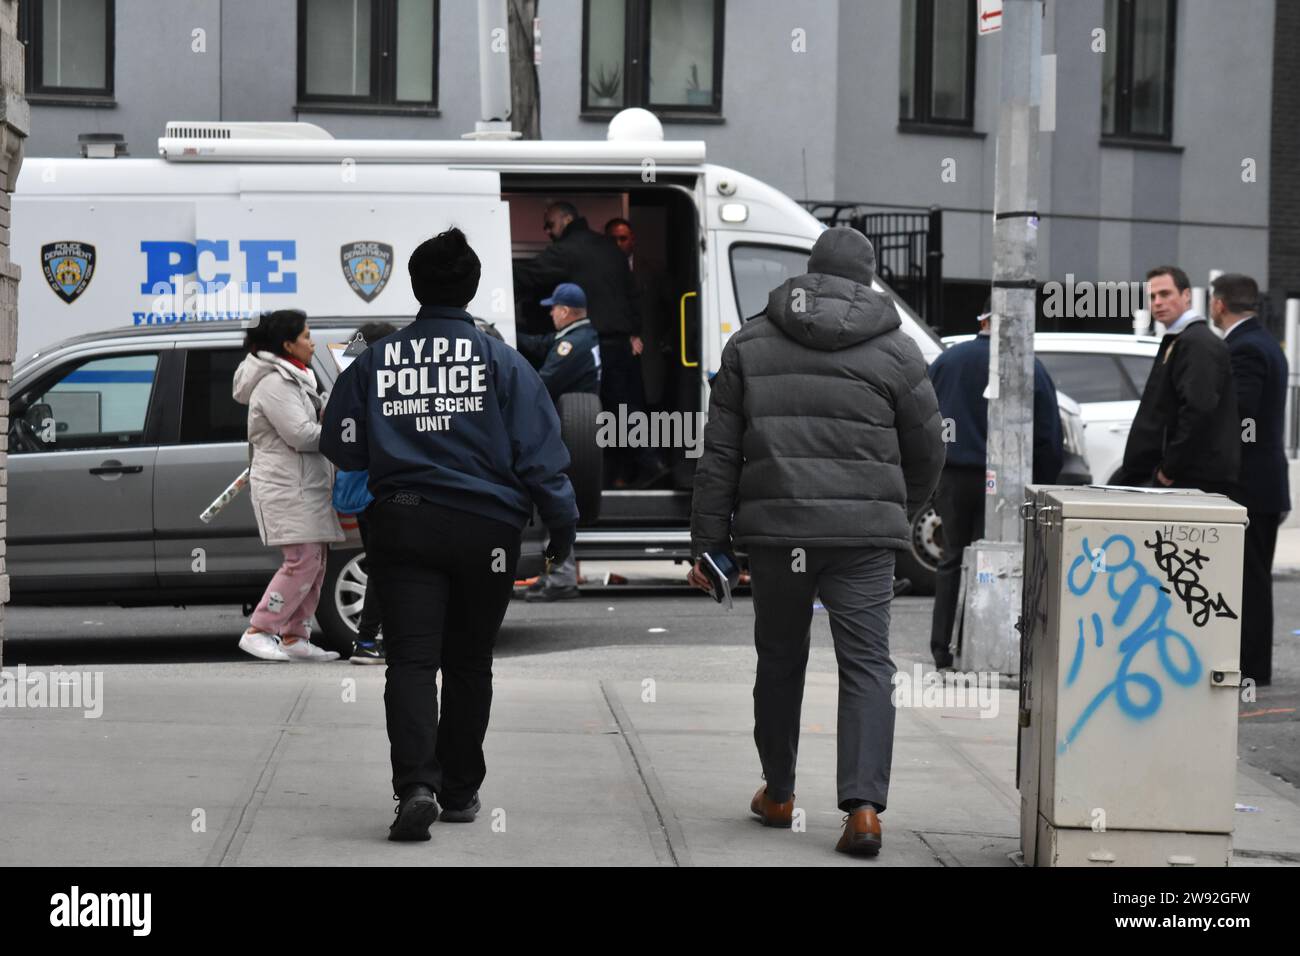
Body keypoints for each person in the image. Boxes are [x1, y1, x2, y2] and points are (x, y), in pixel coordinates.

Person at [688, 227, 945, 858]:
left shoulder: (749, 342)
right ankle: (862, 811)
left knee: (780, 660)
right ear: (867, 279)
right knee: (867, 667)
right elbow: (931, 446)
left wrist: (708, 541)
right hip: (862, 540)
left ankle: (778, 793)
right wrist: (896, 510)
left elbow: (719, 453)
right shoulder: (898, 351)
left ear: (810, 272)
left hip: (779, 537)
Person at [321, 227, 578, 842]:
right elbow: (541, 455)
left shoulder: (376, 361)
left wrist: (399, 441)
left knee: (410, 660)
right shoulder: (504, 363)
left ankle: (416, 786)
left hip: (403, 522)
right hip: (485, 530)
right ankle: (459, 789)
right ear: (471, 289)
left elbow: (340, 444)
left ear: (414, 286)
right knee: (468, 663)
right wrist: (563, 530)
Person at [925, 301, 1064, 670]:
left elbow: (922, 417)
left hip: (952, 475)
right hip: (1004, 480)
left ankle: (943, 648)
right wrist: (1042, 484)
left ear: (982, 320)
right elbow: (1050, 436)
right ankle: (989, 645)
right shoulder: (1027, 366)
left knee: (952, 557)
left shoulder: (948, 361)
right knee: (997, 559)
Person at [514, 202, 666, 488]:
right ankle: (635, 470)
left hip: (595, 342)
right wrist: (634, 332)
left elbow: (528, 275)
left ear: (566, 219)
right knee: (624, 409)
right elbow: (632, 294)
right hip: (623, 343)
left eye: (550, 224)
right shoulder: (610, 248)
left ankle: (641, 466)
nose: (547, 231)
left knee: (598, 413)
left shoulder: (567, 249)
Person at [232, 309, 344, 662]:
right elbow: (300, 434)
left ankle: (295, 637)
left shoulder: (295, 377)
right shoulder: (274, 383)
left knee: (316, 561)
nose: (313, 343)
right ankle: (260, 629)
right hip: (286, 487)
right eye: (307, 336)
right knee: (301, 561)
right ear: (287, 344)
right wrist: (342, 433)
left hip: (304, 485)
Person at [1210, 273, 1290, 686]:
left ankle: (1252, 667)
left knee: (1251, 580)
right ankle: (1253, 664)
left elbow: (1245, 415)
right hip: (1265, 482)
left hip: (1250, 483)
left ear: (1218, 303)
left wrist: (1232, 454)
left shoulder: (1244, 348)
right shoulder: (1265, 344)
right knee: (1254, 578)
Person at [1111, 265, 1240, 494]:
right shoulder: (1181, 339)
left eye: (1165, 294)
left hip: (1189, 480)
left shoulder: (1197, 342)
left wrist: (1169, 469)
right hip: (1180, 477)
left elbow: (1198, 409)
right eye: (1152, 296)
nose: (1157, 302)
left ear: (1186, 295)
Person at [516, 282, 602, 602]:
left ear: (565, 311)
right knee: (555, 502)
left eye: (553, 308)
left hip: (570, 431)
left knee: (556, 503)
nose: (550, 312)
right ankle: (554, 573)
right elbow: (541, 344)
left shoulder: (572, 345)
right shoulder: (580, 336)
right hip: (576, 428)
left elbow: (544, 381)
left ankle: (562, 576)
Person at [334, 320, 398, 664]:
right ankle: (369, 640)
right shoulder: (382, 382)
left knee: (380, 563)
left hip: (362, 489)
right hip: (384, 487)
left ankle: (372, 640)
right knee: (388, 565)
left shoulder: (350, 380)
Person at [605, 217, 674, 411]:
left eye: (623, 238)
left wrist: (665, 341)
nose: (618, 244)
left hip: (649, 349)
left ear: (632, 240)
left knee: (651, 404)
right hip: (616, 349)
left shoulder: (653, 270)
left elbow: (673, 308)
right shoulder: (602, 271)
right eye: (613, 240)